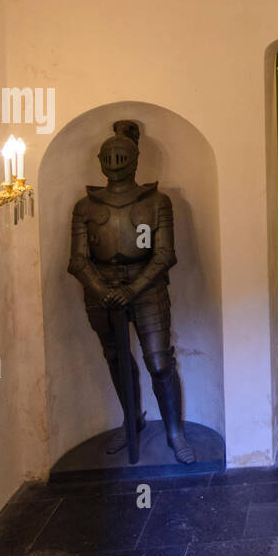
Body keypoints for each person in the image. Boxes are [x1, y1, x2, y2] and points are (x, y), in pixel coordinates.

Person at [68, 120, 193, 463]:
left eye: (122, 155)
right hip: (101, 290)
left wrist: (133, 289)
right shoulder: (86, 206)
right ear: (100, 159)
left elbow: (165, 254)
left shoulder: (156, 202)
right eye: (109, 155)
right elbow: (78, 260)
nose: (116, 161)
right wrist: (103, 290)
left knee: (158, 361)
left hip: (148, 287)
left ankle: (174, 430)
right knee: (117, 359)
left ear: (135, 159)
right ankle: (132, 420)